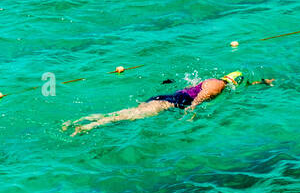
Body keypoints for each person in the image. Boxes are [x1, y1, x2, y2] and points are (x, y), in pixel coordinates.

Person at [65, 70, 273, 135]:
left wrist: (262, 82)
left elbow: (243, 84)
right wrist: (190, 114)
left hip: (165, 97)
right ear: (232, 83)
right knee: (125, 117)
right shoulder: (218, 87)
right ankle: (87, 127)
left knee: (125, 112)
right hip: (167, 104)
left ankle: (81, 120)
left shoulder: (217, 81)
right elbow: (200, 98)